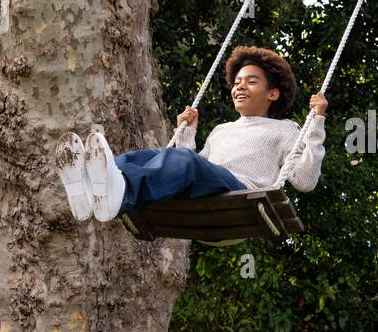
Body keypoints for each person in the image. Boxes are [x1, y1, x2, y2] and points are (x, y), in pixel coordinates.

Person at [55, 45, 327, 222]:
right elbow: (191, 169)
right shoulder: (222, 131)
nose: (239, 87)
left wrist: (315, 125)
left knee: (185, 160)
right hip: (210, 190)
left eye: (251, 82)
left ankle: (122, 192)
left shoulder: (285, 129)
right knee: (141, 157)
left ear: (273, 93)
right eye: (237, 82)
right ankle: (89, 190)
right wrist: (187, 133)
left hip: (243, 195)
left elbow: (305, 180)